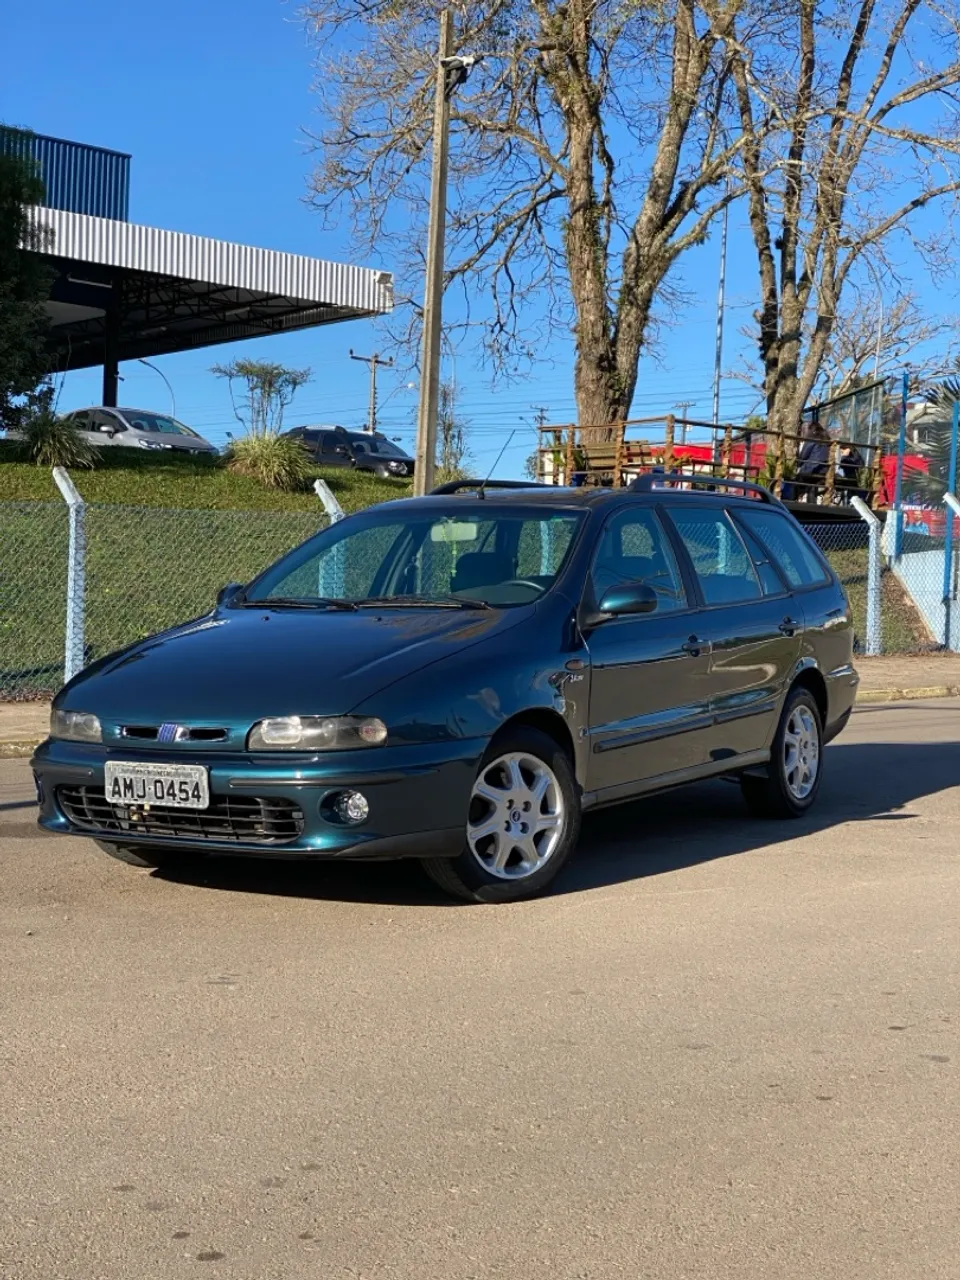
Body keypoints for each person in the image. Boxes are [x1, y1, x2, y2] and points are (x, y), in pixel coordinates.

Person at [781, 421, 831, 501]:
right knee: (811, 484)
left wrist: (799, 463)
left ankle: (790, 500)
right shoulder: (826, 440)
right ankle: (811, 503)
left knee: (796, 481)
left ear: (811, 430)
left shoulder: (812, 439)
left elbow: (803, 456)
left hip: (811, 469)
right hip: (824, 470)